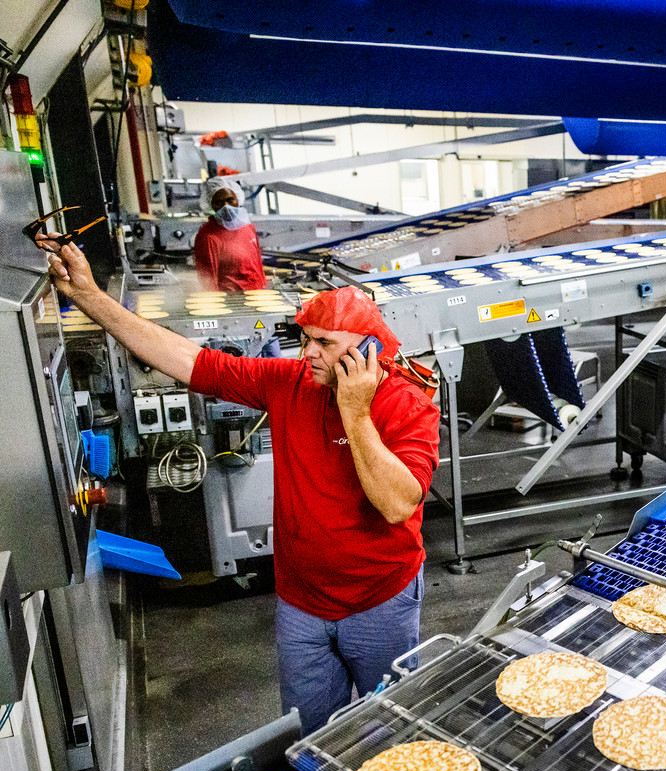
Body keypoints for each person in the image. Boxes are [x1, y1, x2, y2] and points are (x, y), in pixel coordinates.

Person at [41, 236, 441, 734]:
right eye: (306, 339)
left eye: (325, 344)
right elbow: (187, 360)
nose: (308, 353)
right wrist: (89, 296)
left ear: (368, 351)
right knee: (307, 734)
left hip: (379, 603)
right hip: (301, 606)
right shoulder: (289, 382)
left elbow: (398, 504)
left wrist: (355, 412)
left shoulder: (406, 404)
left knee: (394, 731)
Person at [194, 181, 268, 292]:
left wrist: (264, 288)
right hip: (234, 300)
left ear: (238, 199)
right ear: (211, 205)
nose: (226, 207)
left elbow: (257, 264)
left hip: (257, 294)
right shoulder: (208, 237)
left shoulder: (248, 227)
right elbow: (208, 282)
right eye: (219, 203)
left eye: (230, 200)